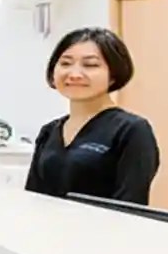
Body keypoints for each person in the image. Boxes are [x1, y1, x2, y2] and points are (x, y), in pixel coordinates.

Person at [25, 27, 160, 205]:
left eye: (90, 65)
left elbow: (131, 205)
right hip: (48, 231)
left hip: (104, 231)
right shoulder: (49, 131)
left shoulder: (131, 130)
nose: (74, 74)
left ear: (113, 74)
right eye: (65, 63)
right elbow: (34, 196)